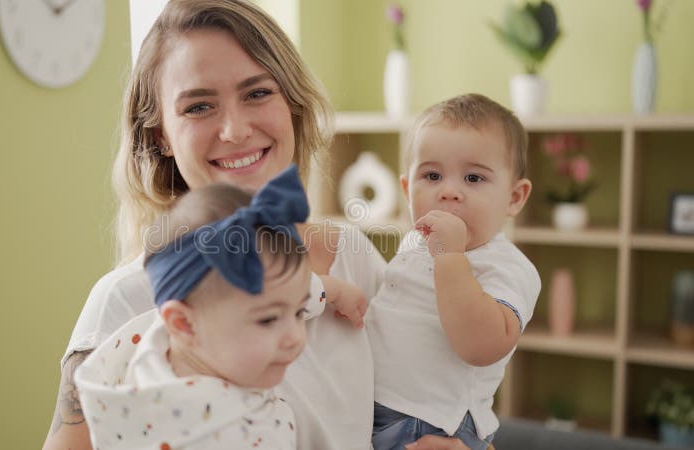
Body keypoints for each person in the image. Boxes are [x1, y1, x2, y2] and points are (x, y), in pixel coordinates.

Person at [42, 1, 470, 449]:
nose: (236, 130)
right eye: (199, 106)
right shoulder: (124, 299)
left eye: (257, 93)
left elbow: (426, 406)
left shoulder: (352, 257)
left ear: (292, 105)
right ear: (160, 137)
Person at [75, 167, 314, 449]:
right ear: (183, 324)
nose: (296, 336)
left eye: (300, 312)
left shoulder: (157, 342)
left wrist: (331, 292)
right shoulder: (210, 436)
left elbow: (286, 292)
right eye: (268, 320)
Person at [367, 94, 541, 450]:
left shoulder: (507, 266)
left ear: (514, 198)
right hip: (374, 411)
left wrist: (450, 257)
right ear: (407, 190)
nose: (449, 192)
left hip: (432, 428)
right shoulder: (412, 245)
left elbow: (481, 346)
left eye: (474, 178)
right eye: (432, 175)